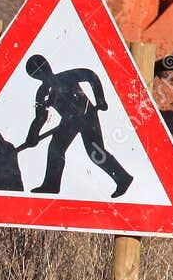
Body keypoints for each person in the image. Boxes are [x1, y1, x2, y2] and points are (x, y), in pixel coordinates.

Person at [19, 54, 133, 198]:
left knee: (95, 152)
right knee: (55, 149)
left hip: (87, 115)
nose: (43, 74)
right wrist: (32, 135)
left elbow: (91, 76)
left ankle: (122, 178)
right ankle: (51, 185)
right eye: (38, 74)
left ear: (48, 66)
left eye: (42, 69)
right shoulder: (42, 92)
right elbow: (41, 117)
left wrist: (100, 99)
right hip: (68, 122)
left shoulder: (66, 76)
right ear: (35, 77)